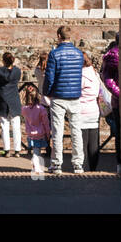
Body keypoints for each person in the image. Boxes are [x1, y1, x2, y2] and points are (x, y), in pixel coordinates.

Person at [44, 25, 84, 174]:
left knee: (57, 131)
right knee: (76, 130)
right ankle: (78, 164)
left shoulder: (54, 54)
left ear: (58, 36)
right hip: (74, 96)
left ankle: (57, 164)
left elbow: (49, 77)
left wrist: (46, 92)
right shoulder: (79, 54)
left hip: (59, 96)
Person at [76, 50, 110, 172]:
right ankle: (93, 168)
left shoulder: (80, 76)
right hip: (94, 111)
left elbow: (76, 93)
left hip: (82, 112)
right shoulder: (94, 74)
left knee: (82, 143)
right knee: (94, 142)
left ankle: (83, 168)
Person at [0, 51, 22, 157]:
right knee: (16, 126)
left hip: (2, 99)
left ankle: (6, 149)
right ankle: (17, 150)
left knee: (4, 126)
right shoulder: (17, 71)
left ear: (3, 61)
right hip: (14, 99)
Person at [101, 40, 121, 172]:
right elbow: (108, 79)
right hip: (119, 102)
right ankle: (120, 163)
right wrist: (120, 94)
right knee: (120, 133)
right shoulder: (113, 55)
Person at [22, 86, 51, 174]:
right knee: (37, 152)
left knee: (36, 150)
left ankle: (35, 166)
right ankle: (36, 167)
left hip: (30, 133)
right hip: (40, 133)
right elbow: (46, 123)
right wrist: (48, 133)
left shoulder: (24, 109)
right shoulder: (41, 109)